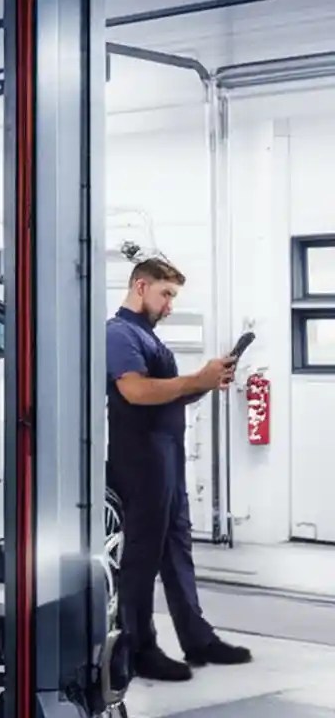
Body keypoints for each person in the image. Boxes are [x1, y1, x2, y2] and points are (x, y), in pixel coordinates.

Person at [105, 254, 253, 682]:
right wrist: (194, 381)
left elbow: (167, 393)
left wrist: (205, 383)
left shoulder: (148, 338)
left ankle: (197, 637)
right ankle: (137, 647)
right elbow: (133, 391)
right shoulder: (119, 334)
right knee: (143, 556)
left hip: (167, 454)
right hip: (141, 459)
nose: (170, 305)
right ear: (140, 287)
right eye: (165, 294)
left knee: (177, 550)